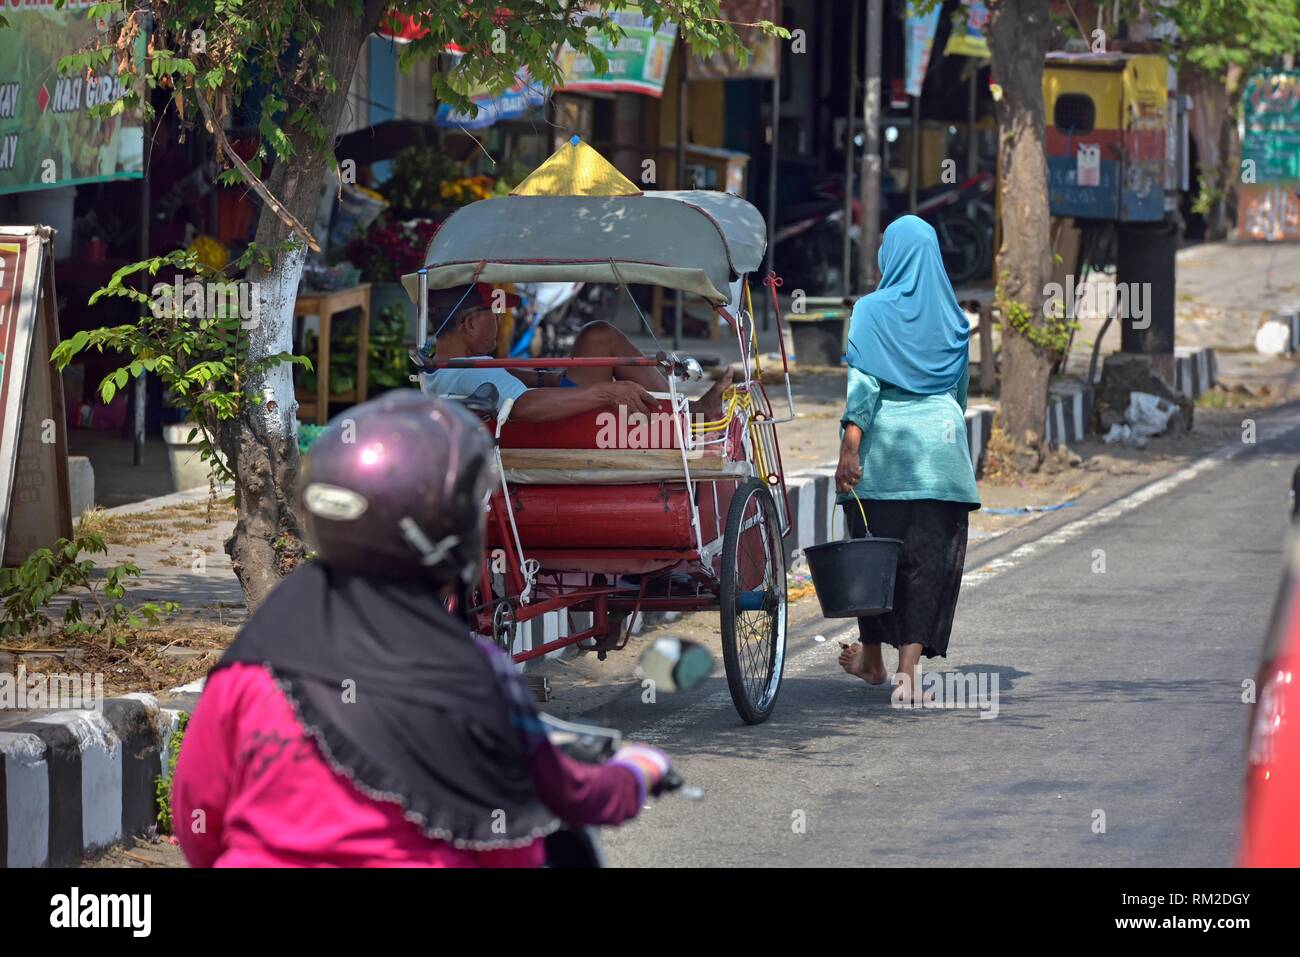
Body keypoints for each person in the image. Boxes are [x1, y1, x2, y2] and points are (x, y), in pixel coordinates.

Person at [172, 391, 673, 867]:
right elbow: (514, 847)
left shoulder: (256, 659)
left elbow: (198, 826)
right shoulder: (476, 680)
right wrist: (634, 774)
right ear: (450, 534)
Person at [832, 215, 981, 703]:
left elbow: (865, 388)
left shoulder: (871, 311)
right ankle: (907, 673)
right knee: (925, 565)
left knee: (873, 560)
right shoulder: (956, 319)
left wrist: (851, 448)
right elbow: (958, 398)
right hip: (943, 457)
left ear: (892, 255)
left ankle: (872, 658)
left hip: (885, 458)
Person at [423, 282, 731, 422]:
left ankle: (687, 412)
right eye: (494, 312)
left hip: (545, 408)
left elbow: (511, 378)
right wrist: (606, 393)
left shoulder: (444, 364)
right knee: (600, 334)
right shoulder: (474, 371)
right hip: (551, 426)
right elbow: (524, 407)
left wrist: (549, 378)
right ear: (471, 323)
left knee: (599, 335)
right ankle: (688, 416)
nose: (501, 319)